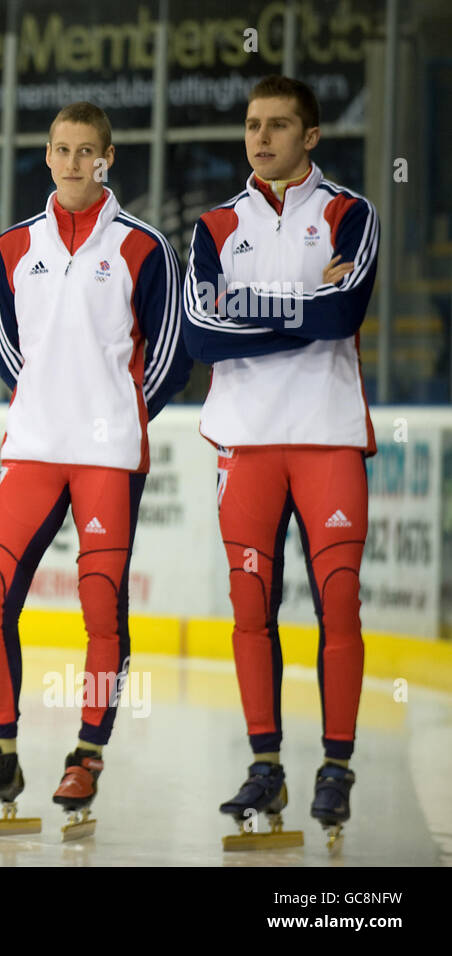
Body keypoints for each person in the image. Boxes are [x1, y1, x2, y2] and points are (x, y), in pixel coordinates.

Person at [0, 102, 190, 829]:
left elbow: (173, 357)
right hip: (32, 450)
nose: (72, 163)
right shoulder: (14, 246)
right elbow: (11, 351)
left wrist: (110, 414)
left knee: (100, 609)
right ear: (48, 155)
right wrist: (53, 404)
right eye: (61, 150)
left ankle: (87, 755)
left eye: (87, 151)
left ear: (108, 157)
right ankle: (2, 755)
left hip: (108, 455)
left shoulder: (144, 247)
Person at [181, 76, 378, 843]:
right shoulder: (214, 224)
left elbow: (345, 311)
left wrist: (246, 306)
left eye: (280, 126)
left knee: (339, 601)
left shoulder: (350, 213)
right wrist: (302, 309)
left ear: (312, 136)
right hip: (245, 442)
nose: (262, 139)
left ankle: (337, 766)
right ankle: (266, 764)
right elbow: (199, 336)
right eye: (253, 125)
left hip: (327, 434)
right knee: (250, 611)